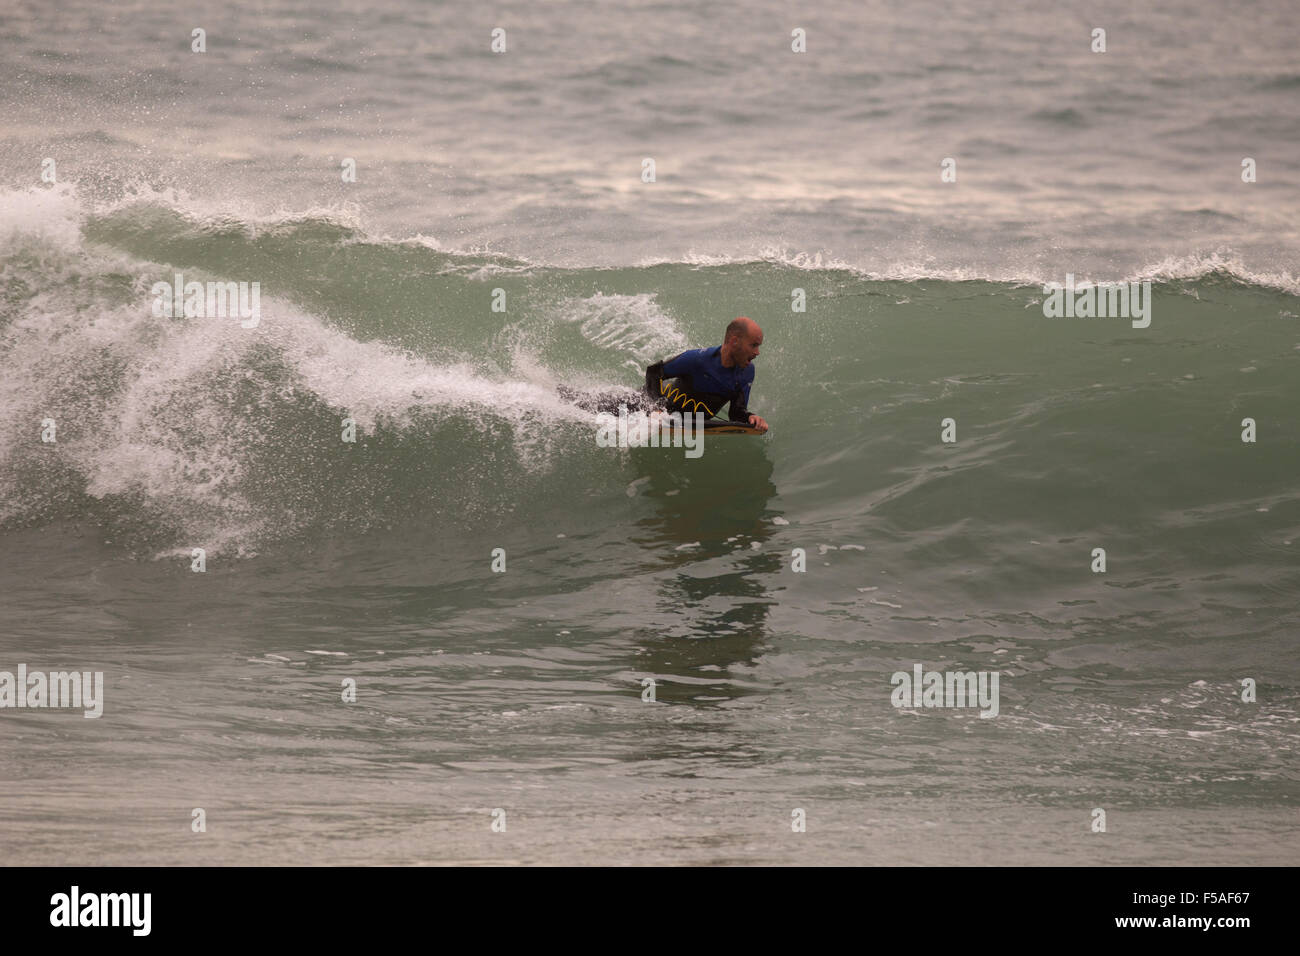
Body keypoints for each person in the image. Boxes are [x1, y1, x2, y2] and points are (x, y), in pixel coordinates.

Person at [645, 317, 769, 432]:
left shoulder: (746, 373)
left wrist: (750, 417)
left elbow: (736, 413)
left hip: (689, 422)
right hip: (646, 405)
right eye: (753, 345)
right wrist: (657, 408)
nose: (757, 352)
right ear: (734, 341)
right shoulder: (697, 359)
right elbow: (654, 372)